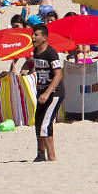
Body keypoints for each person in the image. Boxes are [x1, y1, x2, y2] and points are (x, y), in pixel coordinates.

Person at [30, 23, 63, 162]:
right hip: (41, 92)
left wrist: (47, 93)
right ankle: (40, 154)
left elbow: (58, 75)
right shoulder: (35, 51)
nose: (33, 37)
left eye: (36, 35)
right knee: (38, 123)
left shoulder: (51, 53)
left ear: (44, 37)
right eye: (32, 34)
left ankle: (52, 157)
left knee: (45, 124)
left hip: (54, 93)